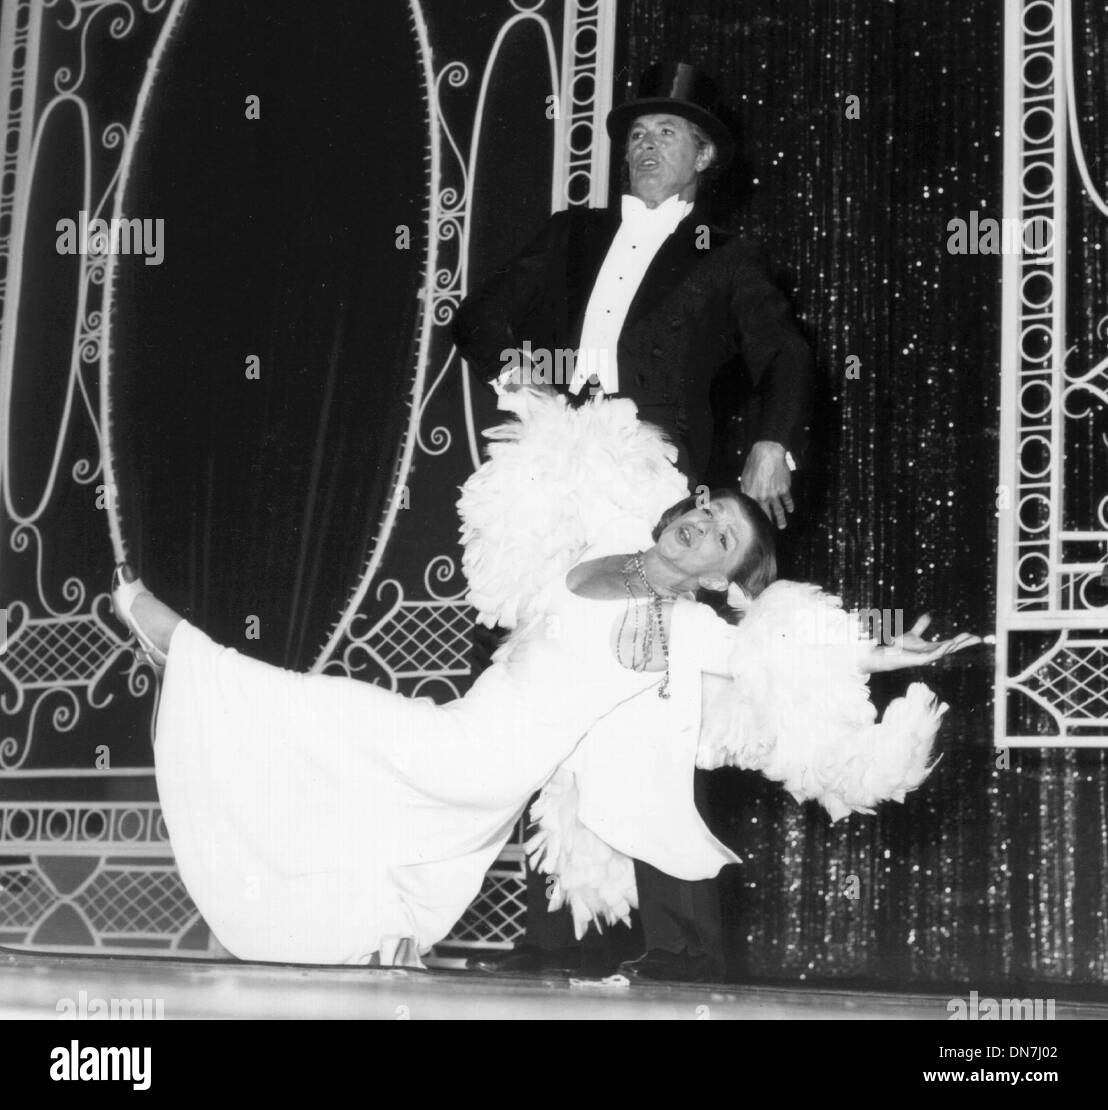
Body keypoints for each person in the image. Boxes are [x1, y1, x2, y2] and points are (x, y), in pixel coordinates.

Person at [114, 393, 977, 971]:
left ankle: (195, 664)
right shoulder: (602, 555)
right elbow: (593, 531)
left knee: (359, 761)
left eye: (720, 543)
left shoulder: (691, 627)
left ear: (722, 578)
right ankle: (204, 675)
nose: (703, 529)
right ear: (679, 511)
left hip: (490, 770)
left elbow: (781, 652)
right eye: (705, 514)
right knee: (345, 749)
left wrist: (880, 650)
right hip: (464, 736)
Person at [451, 61, 815, 981]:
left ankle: (685, 949)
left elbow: (787, 355)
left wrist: (773, 444)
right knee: (544, 692)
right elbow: (477, 319)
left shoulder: (727, 257)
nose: (646, 144)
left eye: (668, 134)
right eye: (635, 132)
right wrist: (524, 381)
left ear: (702, 157)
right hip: (556, 480)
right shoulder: (575, 234)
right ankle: (559, 939)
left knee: (652, 703)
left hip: (654, 496)